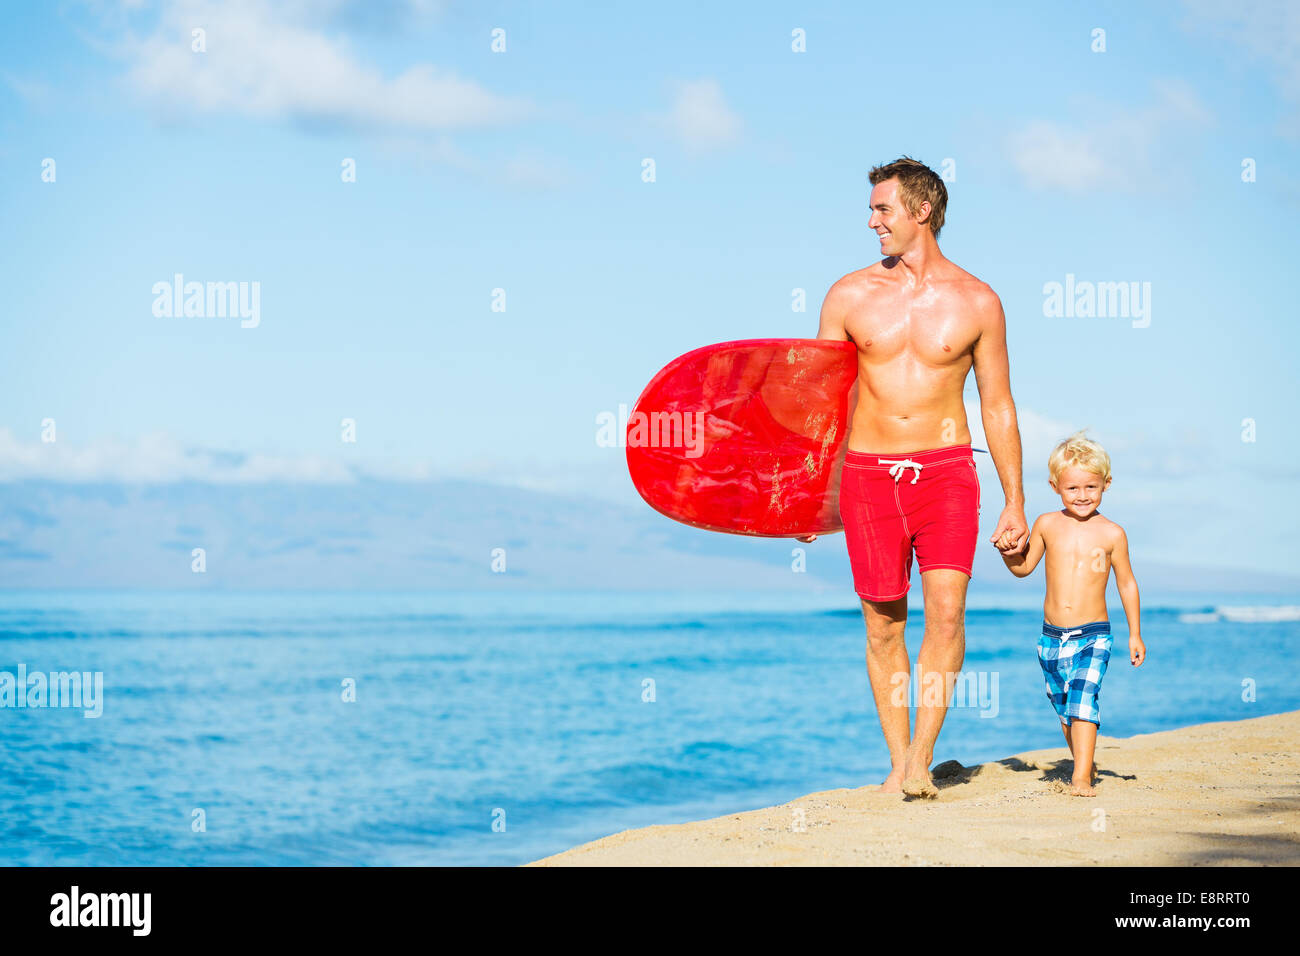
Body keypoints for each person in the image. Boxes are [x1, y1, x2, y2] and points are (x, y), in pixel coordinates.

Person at [803, 157, 1028, 798]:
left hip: (947, 470)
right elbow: (822, 398)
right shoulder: (848, 295)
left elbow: (998, 404)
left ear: (920, 211)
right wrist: (807, 495)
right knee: (883, 625)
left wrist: (1015, 500)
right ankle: (899, 758)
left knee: (948, 618)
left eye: (883, 209)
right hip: (868, 475)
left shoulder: (978, 301)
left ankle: (921, 759)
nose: (872, 220)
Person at [998, 432, 1145, 796]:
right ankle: (1084, 759)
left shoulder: (1112, 533)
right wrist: (1007, 551)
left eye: (1091, 487)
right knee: (1065, 707)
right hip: (1051, 637)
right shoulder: (1047, 524)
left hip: (1093, 634)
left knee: (1083, 698)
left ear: (1106, 484)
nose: (1082, 496)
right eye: (1073, 488)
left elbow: (1126, 583)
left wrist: (1135, 633)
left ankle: (1080, 777)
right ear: (1055, 487)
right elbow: (1023, 568)